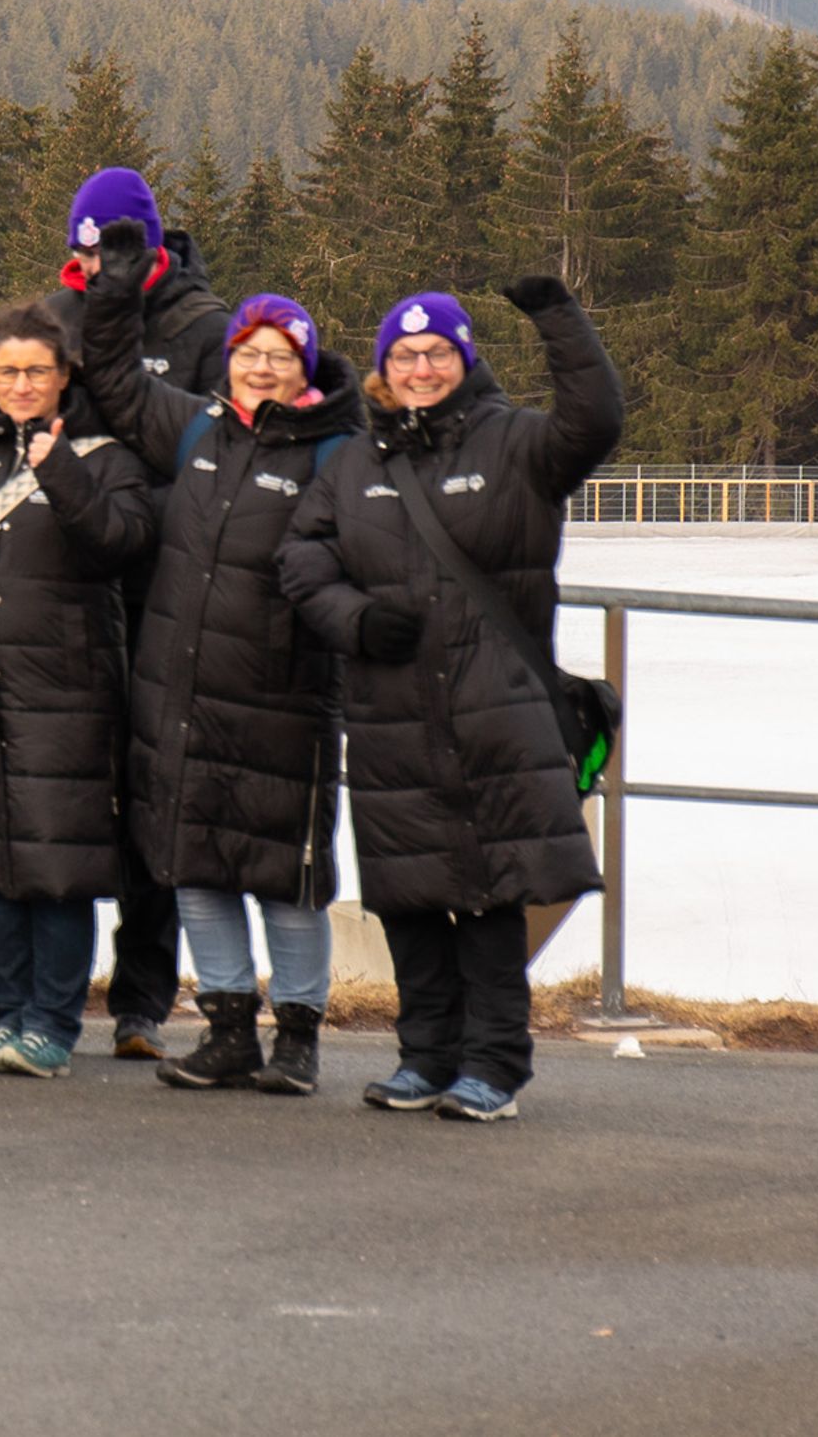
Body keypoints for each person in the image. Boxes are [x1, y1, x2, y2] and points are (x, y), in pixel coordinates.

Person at [280, 281, 621, 1122]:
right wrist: (354, 620)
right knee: (410, 892)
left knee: (493, 893)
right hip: (393, 715)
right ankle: (425, 1057)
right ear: (384, 370)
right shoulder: (359, 461)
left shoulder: (517, 444)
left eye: (438, 353)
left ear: (464, 358)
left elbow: (595, 422)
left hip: (496, 710)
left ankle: (495, 1066)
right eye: (405, 355)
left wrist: (560, 320)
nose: (422, 367)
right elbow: (301, 560)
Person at [78, 227, 363, 1095]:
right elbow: (117, 382)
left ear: (306, 368)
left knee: (287, 879)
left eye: (281, 356)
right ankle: (230, 1027)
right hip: (185, 693)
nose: (263, 369)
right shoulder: (197, 430)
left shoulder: (336, 452)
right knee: (195, 869)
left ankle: (299, 1040)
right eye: (250, 354)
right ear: (229, 363)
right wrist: (116, 289)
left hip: (285, 699)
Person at [0, 299, 157, 1080]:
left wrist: (59, 473)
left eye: (37, 372)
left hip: (67, 695)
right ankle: (7, 1009)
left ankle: (53, 1022)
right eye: (7, 371)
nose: (21, 385)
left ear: (65, 377)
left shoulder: (107, 457)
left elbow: (119, 546)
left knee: (58, 866)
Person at [54, 165, 228, 1061]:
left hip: (164, 583)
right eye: (83, 254)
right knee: (74, 789)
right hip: (76, 581)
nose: (94, 268)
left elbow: (213, 456)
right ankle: (49, 991)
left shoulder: (207, 328)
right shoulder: (63, 312)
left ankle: (143, 1001)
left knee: (155, 796)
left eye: (111, 250)